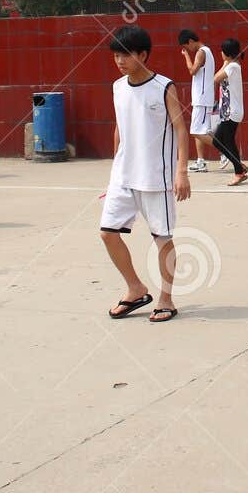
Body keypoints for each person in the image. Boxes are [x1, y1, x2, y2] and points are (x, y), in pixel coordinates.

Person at [101, 25, 191, 324]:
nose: (120, 61)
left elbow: (180, 129)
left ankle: (166, 298)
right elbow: (119, 128)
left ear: (143, 54)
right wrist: (115, 170)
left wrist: (181, 172)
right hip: (123, 176)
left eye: (125, 55)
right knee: (107, 232)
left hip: (156, 178)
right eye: (116, 56)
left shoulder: (164, 87)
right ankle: (135, 289)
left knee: (162, 238)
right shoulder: (117, 87)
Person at [210, 37, 248, 185]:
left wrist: (225, 62)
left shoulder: (232, 66)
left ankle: (239, 170)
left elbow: (216, 78)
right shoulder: (233, 65)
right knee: (226, 141)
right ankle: (240, 168)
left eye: (222, 51)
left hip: (232, 111)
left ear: (226, 53)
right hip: (230, 111)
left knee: (218, 141)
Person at [179, 28, 218, 171]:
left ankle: (226, 151)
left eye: (186, 47)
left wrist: (186, 57)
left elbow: (192, 71)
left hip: (202, 98)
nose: (186, 50)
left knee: (195, 131)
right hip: (202, 98)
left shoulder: (201, 52)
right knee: (201, 131)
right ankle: (200, 161)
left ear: (190, 41)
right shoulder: (207, 51)